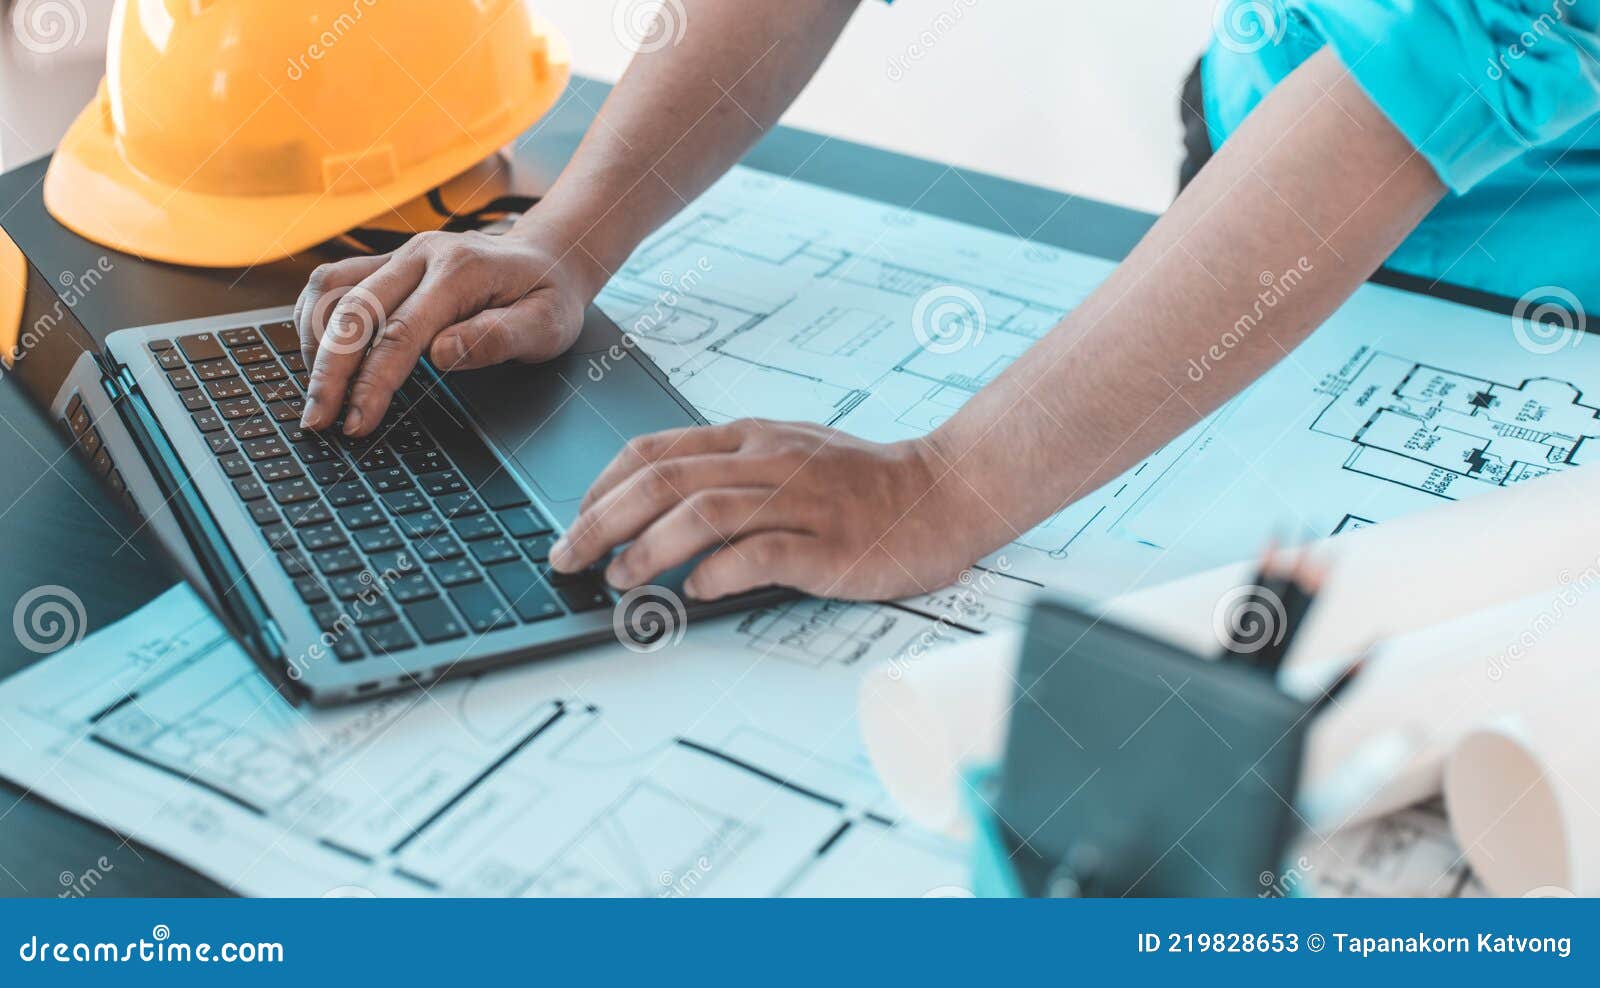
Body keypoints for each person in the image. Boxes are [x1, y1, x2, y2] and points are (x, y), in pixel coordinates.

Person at [295, 0, 1600, 603]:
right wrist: (572, 233)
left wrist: (949, 487)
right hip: (1276, 133)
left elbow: (1441, 60)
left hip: (1549, 304)